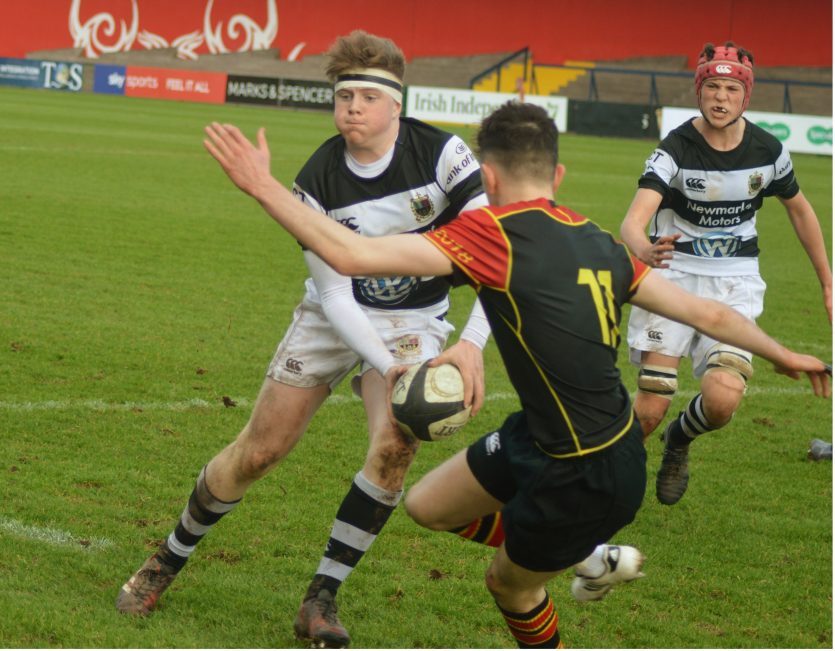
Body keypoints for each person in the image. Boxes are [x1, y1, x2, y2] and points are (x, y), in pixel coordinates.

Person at [202, 101, 830, 648]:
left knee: (509, 586)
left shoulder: (490, 233)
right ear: (558, 174)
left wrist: (264, 186)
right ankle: (581, 555)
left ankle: (561, 568)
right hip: (550, 437)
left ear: (490, 176)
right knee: (424, 505)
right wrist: (780, 351)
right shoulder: (598, 240)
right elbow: (708, 310)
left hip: (585, 469)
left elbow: (349, 254)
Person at [115, 30, 493, 649]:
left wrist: (471, 343)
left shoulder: (444, 156)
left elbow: (496, 259)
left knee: (396, 443)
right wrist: (381, 363)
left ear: (397, 103)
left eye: (368, 97)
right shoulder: (316, 179)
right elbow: (338, 296)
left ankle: (321, 599)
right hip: (331, 316)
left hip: (414, 321)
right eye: (345, 97)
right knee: (259, 452)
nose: (353, 109)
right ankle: (167, 558)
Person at [620, 41, 833, 505]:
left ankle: (680, 440)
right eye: (712, 86)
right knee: (649, 409)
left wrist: (828, 281)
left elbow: (800, 212)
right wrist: (643, 248)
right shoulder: (674, 148)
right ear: (699, 91)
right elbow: (634, 221)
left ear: (745, 96)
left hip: (734, 278)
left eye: (731, 89)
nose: (720, 97)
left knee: (721, 402)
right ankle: (599, 491)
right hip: (672, 276)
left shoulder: (768, 151)